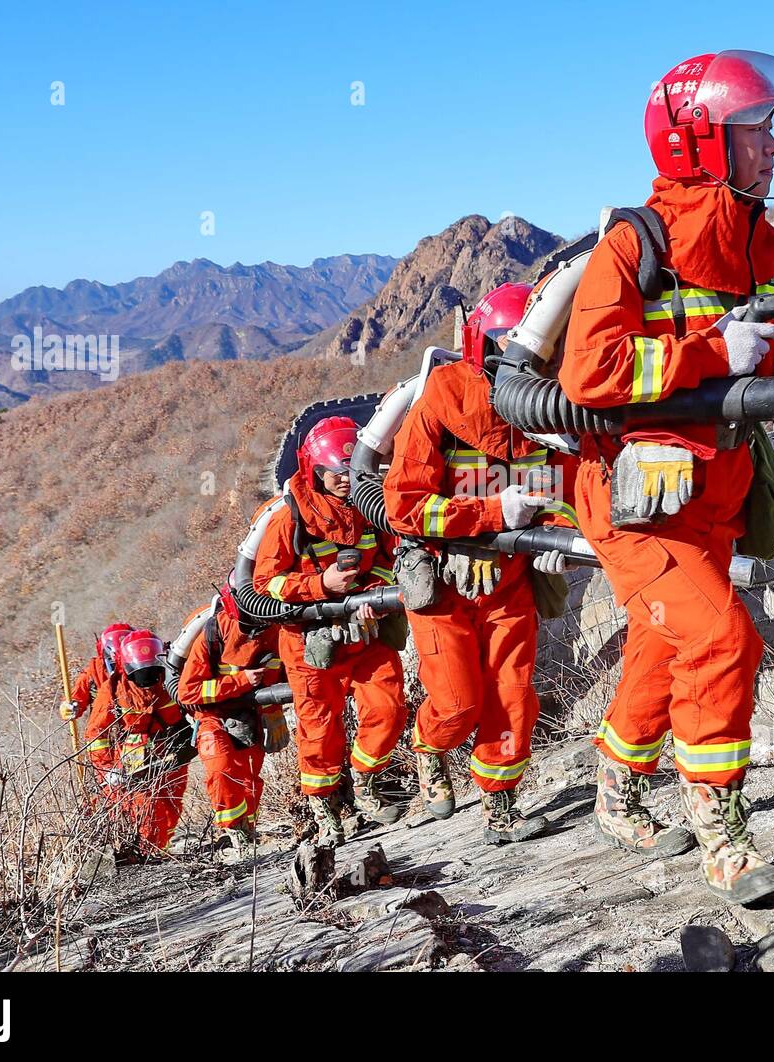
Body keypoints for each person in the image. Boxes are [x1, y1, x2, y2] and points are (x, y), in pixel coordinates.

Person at [559, 51, 774, 902]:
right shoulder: (636, 243)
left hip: (718, 492)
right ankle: (723, 829)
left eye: (773, 130)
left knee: (659, 642)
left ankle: (615, 784)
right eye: (758, 130)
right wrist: (711, 351)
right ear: (701, 142)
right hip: (634, 501)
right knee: (720, 639)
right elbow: (587, 374)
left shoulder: (769, 245)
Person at [384, 282, 579, 846]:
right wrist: (492, 511)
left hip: (509, 577)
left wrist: (558, 536)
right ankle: (429, 746)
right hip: (442, 582)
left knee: (514, 695)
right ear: (489, 352)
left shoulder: (549, 410)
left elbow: (570, 490)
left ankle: (501, 805)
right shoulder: (437, 410)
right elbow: (404, 507)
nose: (532, 369)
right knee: (458, 702)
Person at [253, 416, 408, 847]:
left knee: (390, 708)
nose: (345, 481)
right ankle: (326, 810)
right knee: (319, 729)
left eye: (350, 471)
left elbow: (388, 558)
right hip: (309, 642)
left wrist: (372, 595)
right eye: (336, 474)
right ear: (316, 472)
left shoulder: (368, 505)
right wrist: (322, 586)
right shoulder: (291, 518)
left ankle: (365, 782)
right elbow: (265, 585)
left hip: (364, 630)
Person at [176, 583, 289, 852]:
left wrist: (275, 713)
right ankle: (234, 831)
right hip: (212, 717)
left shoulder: (278, 632)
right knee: (221, 768)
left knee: (250, 777)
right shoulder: (213, 634)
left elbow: (288, 675)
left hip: (254, 715)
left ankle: (248, 831)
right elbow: (188, 691)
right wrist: (239, 681)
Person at [116, 629, 191, 857]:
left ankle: (160, 850)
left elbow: (192, 704)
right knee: (147, 808)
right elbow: (97, 733)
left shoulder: (173, 680)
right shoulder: (115, 690)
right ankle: (147, 853)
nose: (147, 680)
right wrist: (108, 769)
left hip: (174, 752)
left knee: (172, 804)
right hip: (137, 761)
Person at [59, 622, 132, 799]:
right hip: (103, 736)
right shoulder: (94, 671)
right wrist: (68, 708)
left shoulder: (140, 663)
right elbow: (74, 697)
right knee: (110, 791)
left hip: (135, 734)